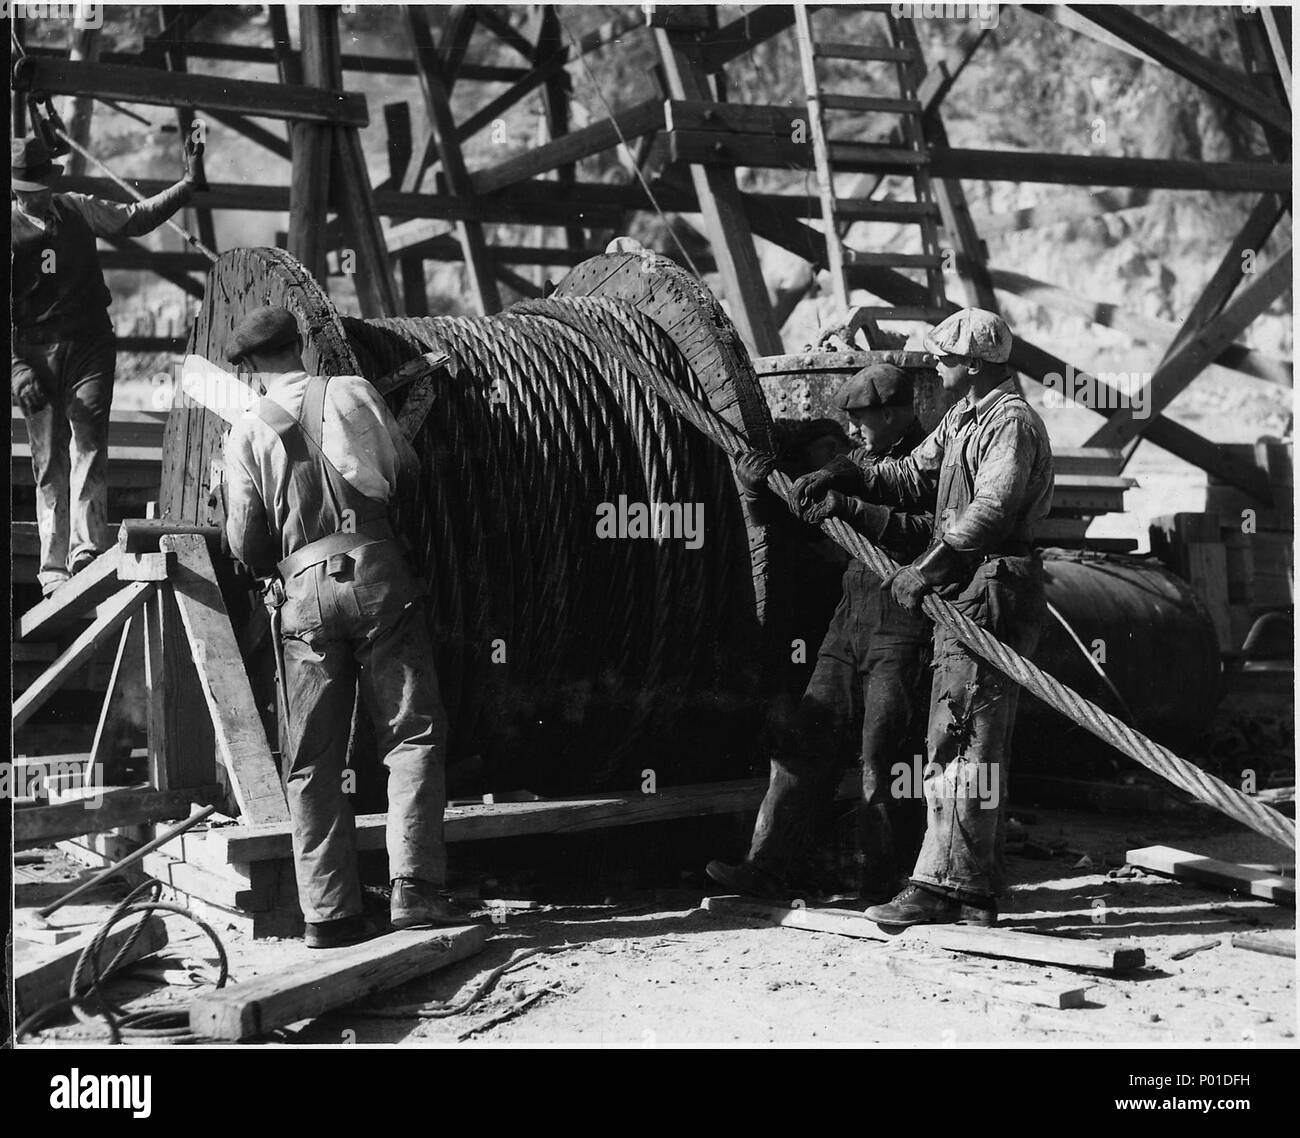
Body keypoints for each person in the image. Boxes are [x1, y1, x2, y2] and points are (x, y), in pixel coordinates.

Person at [797, 309, 1053, 927]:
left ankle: (944, 886)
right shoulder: (966, 418)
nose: (936, 367)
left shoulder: (1010, 423)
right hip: (974, 583)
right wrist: (842, 481)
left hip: (991, 585)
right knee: (962, 737)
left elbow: (990, 510)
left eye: (944, 358)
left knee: (963, 737)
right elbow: (910, 475)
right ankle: (970, 890)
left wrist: (927, 569)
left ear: (974, 364)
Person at [221, 306, 456, 949]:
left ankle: (328, 915)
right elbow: (404, 471)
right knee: (410, 738)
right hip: (379, 578)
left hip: (302, 597)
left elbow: (246, 544)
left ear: (248, 367)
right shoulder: (351, 392)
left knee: (312, 759)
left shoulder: (244, 432)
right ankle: (416, 893)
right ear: (301, 346)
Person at [708, 363, 935, 901]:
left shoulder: (931, 462)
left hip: (900, 622)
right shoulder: (854, 461)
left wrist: (855, 507)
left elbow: (933, 531)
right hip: (849, 617)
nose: (853, 431)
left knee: (885, 756)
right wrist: (755, 493)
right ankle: (767, 869)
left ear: (892, 413)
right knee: (805, 740)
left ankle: (884, 883)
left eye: (861, 420)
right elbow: (795, 521)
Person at [11, 132, 204, 597]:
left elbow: (135, 219)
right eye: (28, 191)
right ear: (15, 190)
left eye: (42, 188)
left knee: (89, 436)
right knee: (47, 459)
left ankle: (86, 546)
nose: (38, 198)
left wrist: (187, 184)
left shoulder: (77, 208)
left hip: (89, 343)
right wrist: (18, 370)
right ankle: (52, 566)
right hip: (34, 352)